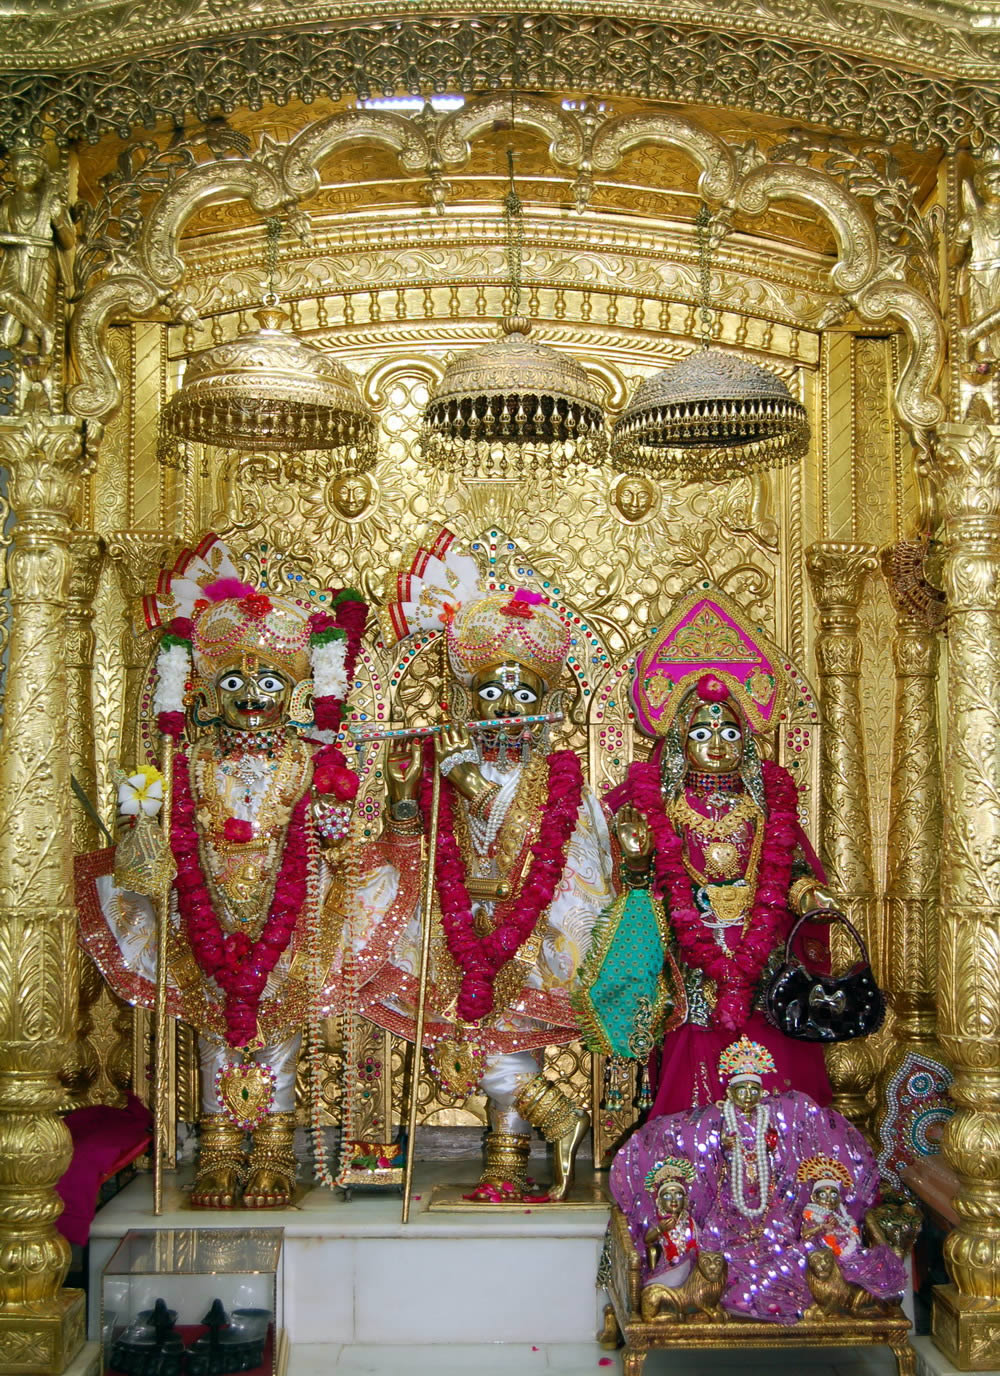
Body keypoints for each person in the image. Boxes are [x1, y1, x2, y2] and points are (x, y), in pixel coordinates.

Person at [77, 534, 366, 1207]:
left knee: (280, 1026)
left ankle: (270, 1152)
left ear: (292, 690)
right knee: (214, 1025)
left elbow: (333, 831)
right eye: (234, 682)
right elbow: (150, 824)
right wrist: (142, 814)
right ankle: (217, 1151)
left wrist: (333, 827)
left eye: (269, 682)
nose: (252, 696)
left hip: (285, 914)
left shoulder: (304, 759)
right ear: (210, 692)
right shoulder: (191, 760)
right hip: (204, 905)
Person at [345, 528, 614, 1200]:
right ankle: (529, 1139)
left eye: (523, 696)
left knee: (505, 1034)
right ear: (471, 705)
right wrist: (408, 799)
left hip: (532, 928)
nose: (507, 709)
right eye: (492, 694)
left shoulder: (560, 782)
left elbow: (576, 862)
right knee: (480, 1032)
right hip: (457, 923)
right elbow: (419, 848)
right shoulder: (452, 768)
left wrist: (546, 934)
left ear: (544, 707)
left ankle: (514, 1153)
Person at [575, 587, 834, 1114]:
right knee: (695, 1037)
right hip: (690, 949)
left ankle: (781, 1153)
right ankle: (695, 1161)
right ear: (678, 743)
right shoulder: (655, 807)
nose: (717, 744)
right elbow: (624, 892)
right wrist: (642, 864)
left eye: (730, 732)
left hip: (764, 951)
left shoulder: (766, 808)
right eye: (700, 731)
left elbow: (794, 870)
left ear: (748, 742)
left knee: (772, 1039)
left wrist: (809, 896)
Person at [610, 1036, 906, 1324]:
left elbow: (783, 1159)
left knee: (782, 1247)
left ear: (761, 1091)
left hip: (768, 1202)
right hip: (729, 1202)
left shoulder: (772, 1117)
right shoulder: (717, 1118)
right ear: (731, 1093)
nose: (748, 1096)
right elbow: (699, 1146)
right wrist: (726, 1149)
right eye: (742, 1090)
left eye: (753, 1089)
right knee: (717, 1246)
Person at [0, 142, 73, 356]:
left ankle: (34, 339)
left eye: (31, 168)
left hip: (44, 259)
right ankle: (46, 329)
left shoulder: (48, 200)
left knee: (38, 303)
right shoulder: (7, 204)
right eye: (20, 168)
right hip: (15, 261)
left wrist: (58, 218)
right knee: (4, 294)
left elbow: (68, 241)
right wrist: (22, 239)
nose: (25, 173)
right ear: (12, 172)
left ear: (41, 172)